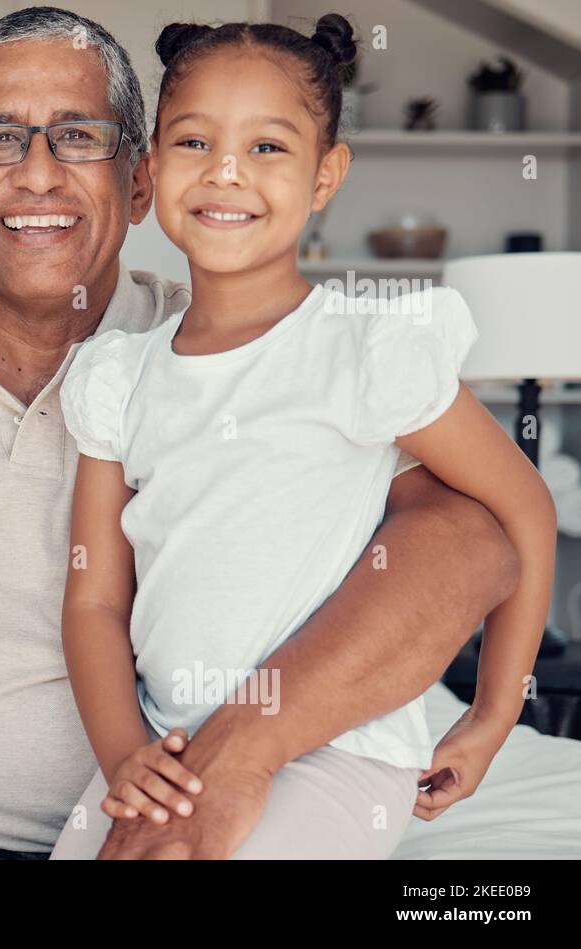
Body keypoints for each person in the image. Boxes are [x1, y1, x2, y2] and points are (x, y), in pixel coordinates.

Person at [0, 6, 519, 860]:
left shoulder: (240, 345)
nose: (37, 176)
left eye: (78, 136)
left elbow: (468, 541)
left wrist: (245, 747)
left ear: (138, 183)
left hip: (209, 797)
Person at [52, 14, 555, 860]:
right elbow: (95, 598)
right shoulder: (119, 377)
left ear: (327, 177)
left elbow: (525, 510)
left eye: (269, 149)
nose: (225, 172)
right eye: (193, 141)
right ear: (148, 169)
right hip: (170, 744)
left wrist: (493, 714)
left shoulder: (369, 349)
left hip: (341, 752)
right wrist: (123, 754)